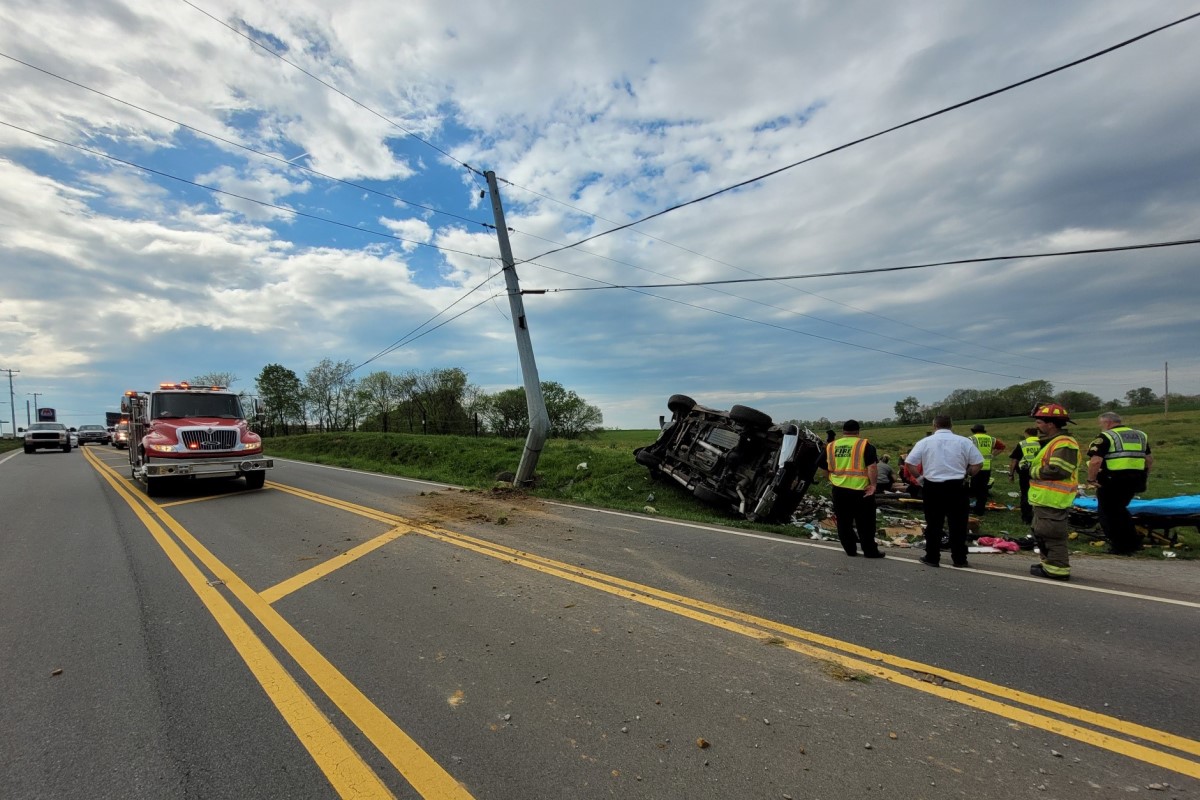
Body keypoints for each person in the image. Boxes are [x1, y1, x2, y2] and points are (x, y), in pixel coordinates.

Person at [905, 415, 982, 568]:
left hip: (933, 487)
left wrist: (920, 479)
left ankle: (932, 557)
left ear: (934, 425)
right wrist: (967, 475)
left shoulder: (924, 442)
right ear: (951, 425)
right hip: (957, 487)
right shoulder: (964, 441)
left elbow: (909, 463)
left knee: (934, 524)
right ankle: (959, 558)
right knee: (958, 524)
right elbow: (978, 463)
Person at [1086, 411, 1152, 556]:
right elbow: (1148, 459)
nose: (1101, 426)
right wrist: (1145, 475)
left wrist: (1091, 479)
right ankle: (1133, 542)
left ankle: (1121, 546)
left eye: (1101, 424)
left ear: (1108, 422)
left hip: (1113, 480)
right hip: (1135, 479)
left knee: (1108, 514)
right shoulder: (1140, 435)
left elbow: (1096, 461)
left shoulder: (1107, 436)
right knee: (1120, 510)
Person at [1027, 403, 1081, 581]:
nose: (1037, 425)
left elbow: (1058, 470)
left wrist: (1031, 471)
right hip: (1045, 499)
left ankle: (1058, 569)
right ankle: (1049, 564)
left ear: (1051, 424)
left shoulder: (1064, 444)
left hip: (1053, 499)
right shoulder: (1055, 442)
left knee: (1051, 535)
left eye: (1040, 421)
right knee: (1042, 533)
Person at [818, 420, 885, 558]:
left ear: (843, 432)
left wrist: (832, 479)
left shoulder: (831, 446)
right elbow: (872, 467)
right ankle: (869, 551)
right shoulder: (865, 445)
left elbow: (823, 469)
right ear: (858, 431)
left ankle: (850, 549)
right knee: (865, 522)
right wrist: (873, 485)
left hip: (839, 490)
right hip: (861, 490)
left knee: (843, 521)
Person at [968, 424, 1005, 516]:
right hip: (987, 467)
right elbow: (1002, 446)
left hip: (975, 467)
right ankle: (980, 509)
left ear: (974, 431)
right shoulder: (991, 439)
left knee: (973, 488)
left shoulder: (971, 439)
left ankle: (973, 507)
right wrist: (992, 455)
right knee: (983, 489)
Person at [1008, 427, 1041, 525]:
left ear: (1026, 433)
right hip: (1041, 471)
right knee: (1040, 493)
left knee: (1026, 493)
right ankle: (1039, 515)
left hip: (1025, 472)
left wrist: (1011, 474)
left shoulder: (1022, 444)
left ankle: (1026, 517)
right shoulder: (1043, 443)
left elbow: (1014, 460)